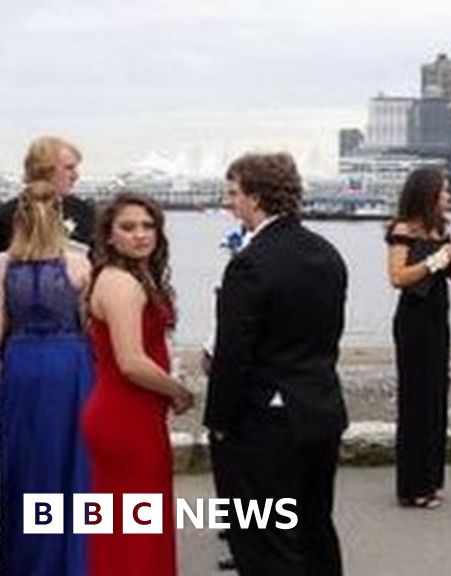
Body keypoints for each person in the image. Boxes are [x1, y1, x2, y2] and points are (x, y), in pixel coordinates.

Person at [205, 153, 349, 575]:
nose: (229, 203)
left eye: (233, 193)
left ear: (256, 196)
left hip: (266, 421)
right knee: (316, 528)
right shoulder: (327, 253)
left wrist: (220, 422)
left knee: (267, 542)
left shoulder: (249, 263)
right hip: (320, 407)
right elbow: (327, 335)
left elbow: (234, 354)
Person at [83, 192, 193, 575]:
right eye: (128, 227)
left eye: (148, 226)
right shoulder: (121, 284)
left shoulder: (131, 277)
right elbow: (131, 361)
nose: (141, 235)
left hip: (134, 413)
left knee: (128, 525)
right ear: (109, 236)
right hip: (124, 416)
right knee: (134, 530)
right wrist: (178, 392)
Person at [0, 181, 93, 575]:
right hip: (69, 365)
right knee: (69, 461)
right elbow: (88, 323)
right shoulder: (79, 264)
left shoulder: (2, 264)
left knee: (22, 455)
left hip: (22, 364)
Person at [386, 167, 451, 509]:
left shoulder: (441, 231)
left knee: (436, 397)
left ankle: (431, 478)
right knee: (415, 399)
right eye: (444, 192)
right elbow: (398, 276)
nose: (449, 197)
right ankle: (412, 484)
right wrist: (436, 261)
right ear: (427, 195)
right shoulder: (403, 230)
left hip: (438, 316)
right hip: (413, 320)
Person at [0, 136, 95, 252]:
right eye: (69, 168)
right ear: (45, 169)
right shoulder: (7, 216)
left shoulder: (83, 212)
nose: (75, 176)